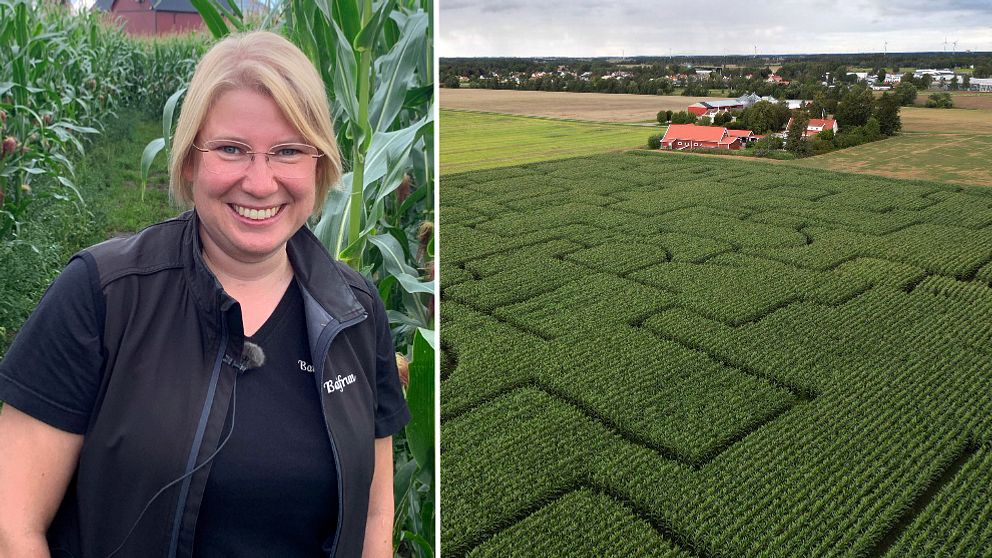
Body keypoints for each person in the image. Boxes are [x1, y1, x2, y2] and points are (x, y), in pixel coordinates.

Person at [0, 30, 409, 558]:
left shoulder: (356, 311)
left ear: (319, 164)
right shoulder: (102, 295)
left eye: (288, 151)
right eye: (231, 149)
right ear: (190, 159)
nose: (260, 182)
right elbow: (13, 522)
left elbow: (375, 514)